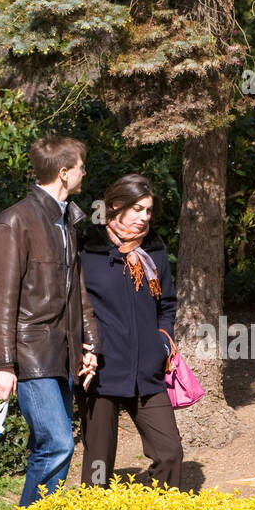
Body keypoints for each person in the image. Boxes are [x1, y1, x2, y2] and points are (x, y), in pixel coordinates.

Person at [0, 135, 101, 507]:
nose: (86, 172)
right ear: (64, 173)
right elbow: (0, 297)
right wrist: (3, 364)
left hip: (63, 352)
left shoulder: (66, 220)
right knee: (58, 444)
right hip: (31, 353)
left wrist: (90, 344)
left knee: (46, 447)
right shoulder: (15, 220)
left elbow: (76, 289)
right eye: (82, 166)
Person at [78, 173, 183, 490]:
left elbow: (167, 304)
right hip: (101, 372)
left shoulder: (155, 250)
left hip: (147, 372)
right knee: (98, 466)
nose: (144, 218)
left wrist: (162, 344)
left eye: (148, 211)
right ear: (114, 206)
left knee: (170, 454)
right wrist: (85, 349)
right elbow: (73, 309)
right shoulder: (87, 251)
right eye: (137, 209)